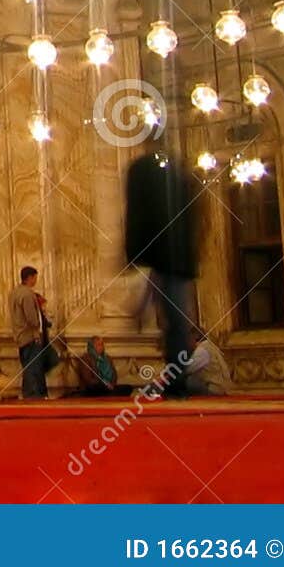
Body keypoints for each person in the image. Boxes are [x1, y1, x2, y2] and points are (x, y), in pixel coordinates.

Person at [124, 143, 198, 395]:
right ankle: (176, 380)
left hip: (164, 261)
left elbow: (137, 217)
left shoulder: (145, 171)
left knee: (174, 322)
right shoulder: (174, 174)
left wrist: (134, 254)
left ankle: (176, 380)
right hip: (172, 262)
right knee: (176, 322)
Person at [8, 266, 48, 399]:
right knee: (33, 367)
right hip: (30, 336)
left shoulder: (14, 293)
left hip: (20, 335)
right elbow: (31, 318)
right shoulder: (27, 294)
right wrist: (38, 327)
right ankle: (33, 395)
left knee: (27, 366)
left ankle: (30, 393)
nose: (36, 280)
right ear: (30, 277)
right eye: (35, 277)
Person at [184, 326, 233, 396]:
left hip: (214, 389)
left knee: (187, 380)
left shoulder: (202, 350)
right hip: (221, 387)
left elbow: (187, 369)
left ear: (194, 337)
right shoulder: (210, 346)